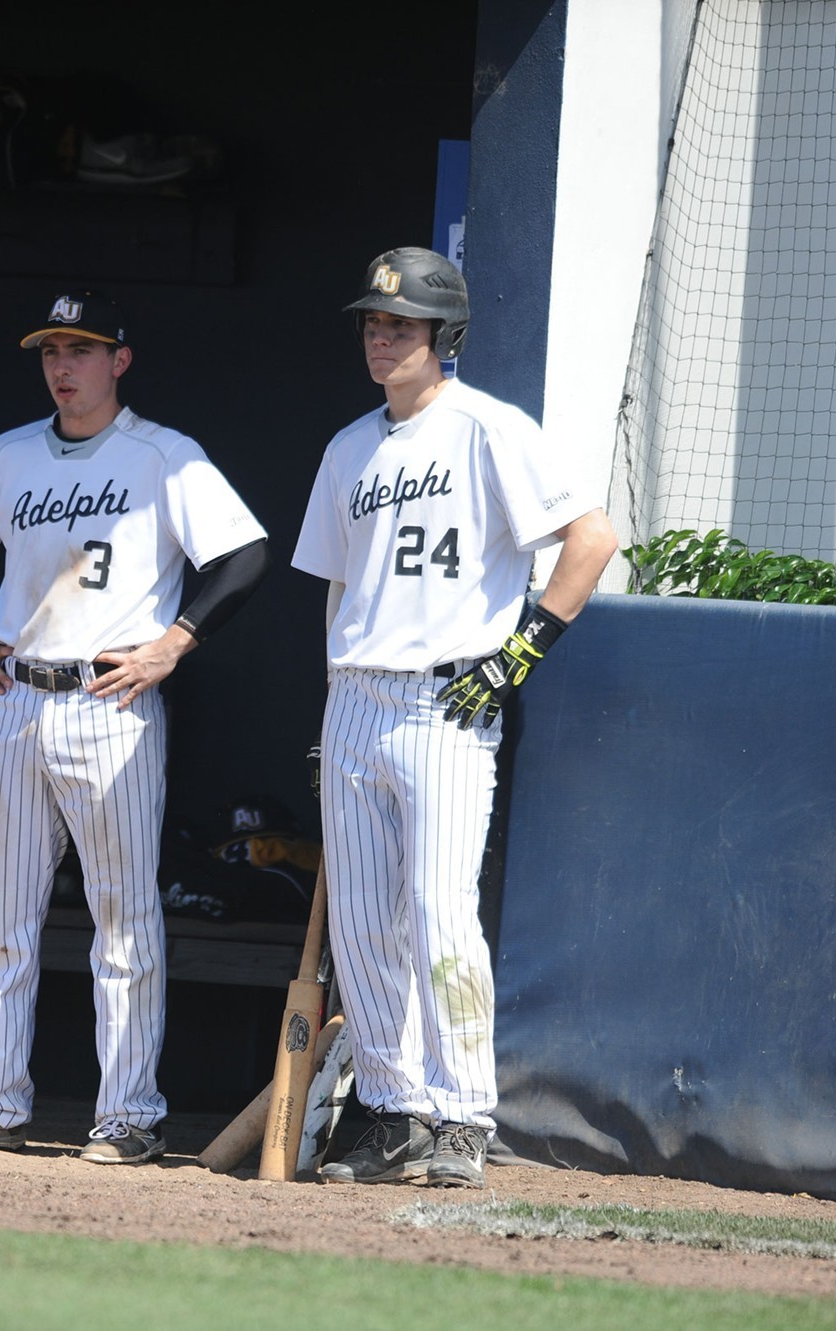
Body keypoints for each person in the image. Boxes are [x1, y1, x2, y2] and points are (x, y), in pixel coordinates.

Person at [291, 247, 617, 1188]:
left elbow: (591, 538)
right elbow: (338, 592)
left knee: (440, 913)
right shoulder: (348, 447)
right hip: (358, 695)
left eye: (400, 323)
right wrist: (328, 710)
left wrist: (521, 651)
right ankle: (394, 1109)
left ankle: (464, 1113)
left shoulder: (487, 428)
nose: (381, 335)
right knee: (359, 923)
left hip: (448, 697)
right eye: (372, 322)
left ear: (446, 335)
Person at [0, 290, 267, 1164]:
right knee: (6, 915)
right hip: (20, 698)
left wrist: (175, 643)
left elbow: (245, 552)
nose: (63, 367)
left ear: (120, 359)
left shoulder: (162, 455)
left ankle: (127, 1115)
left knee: (124, 918)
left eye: (81, 350)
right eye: (51, 351)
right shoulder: (7, 455)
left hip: (111, 699)